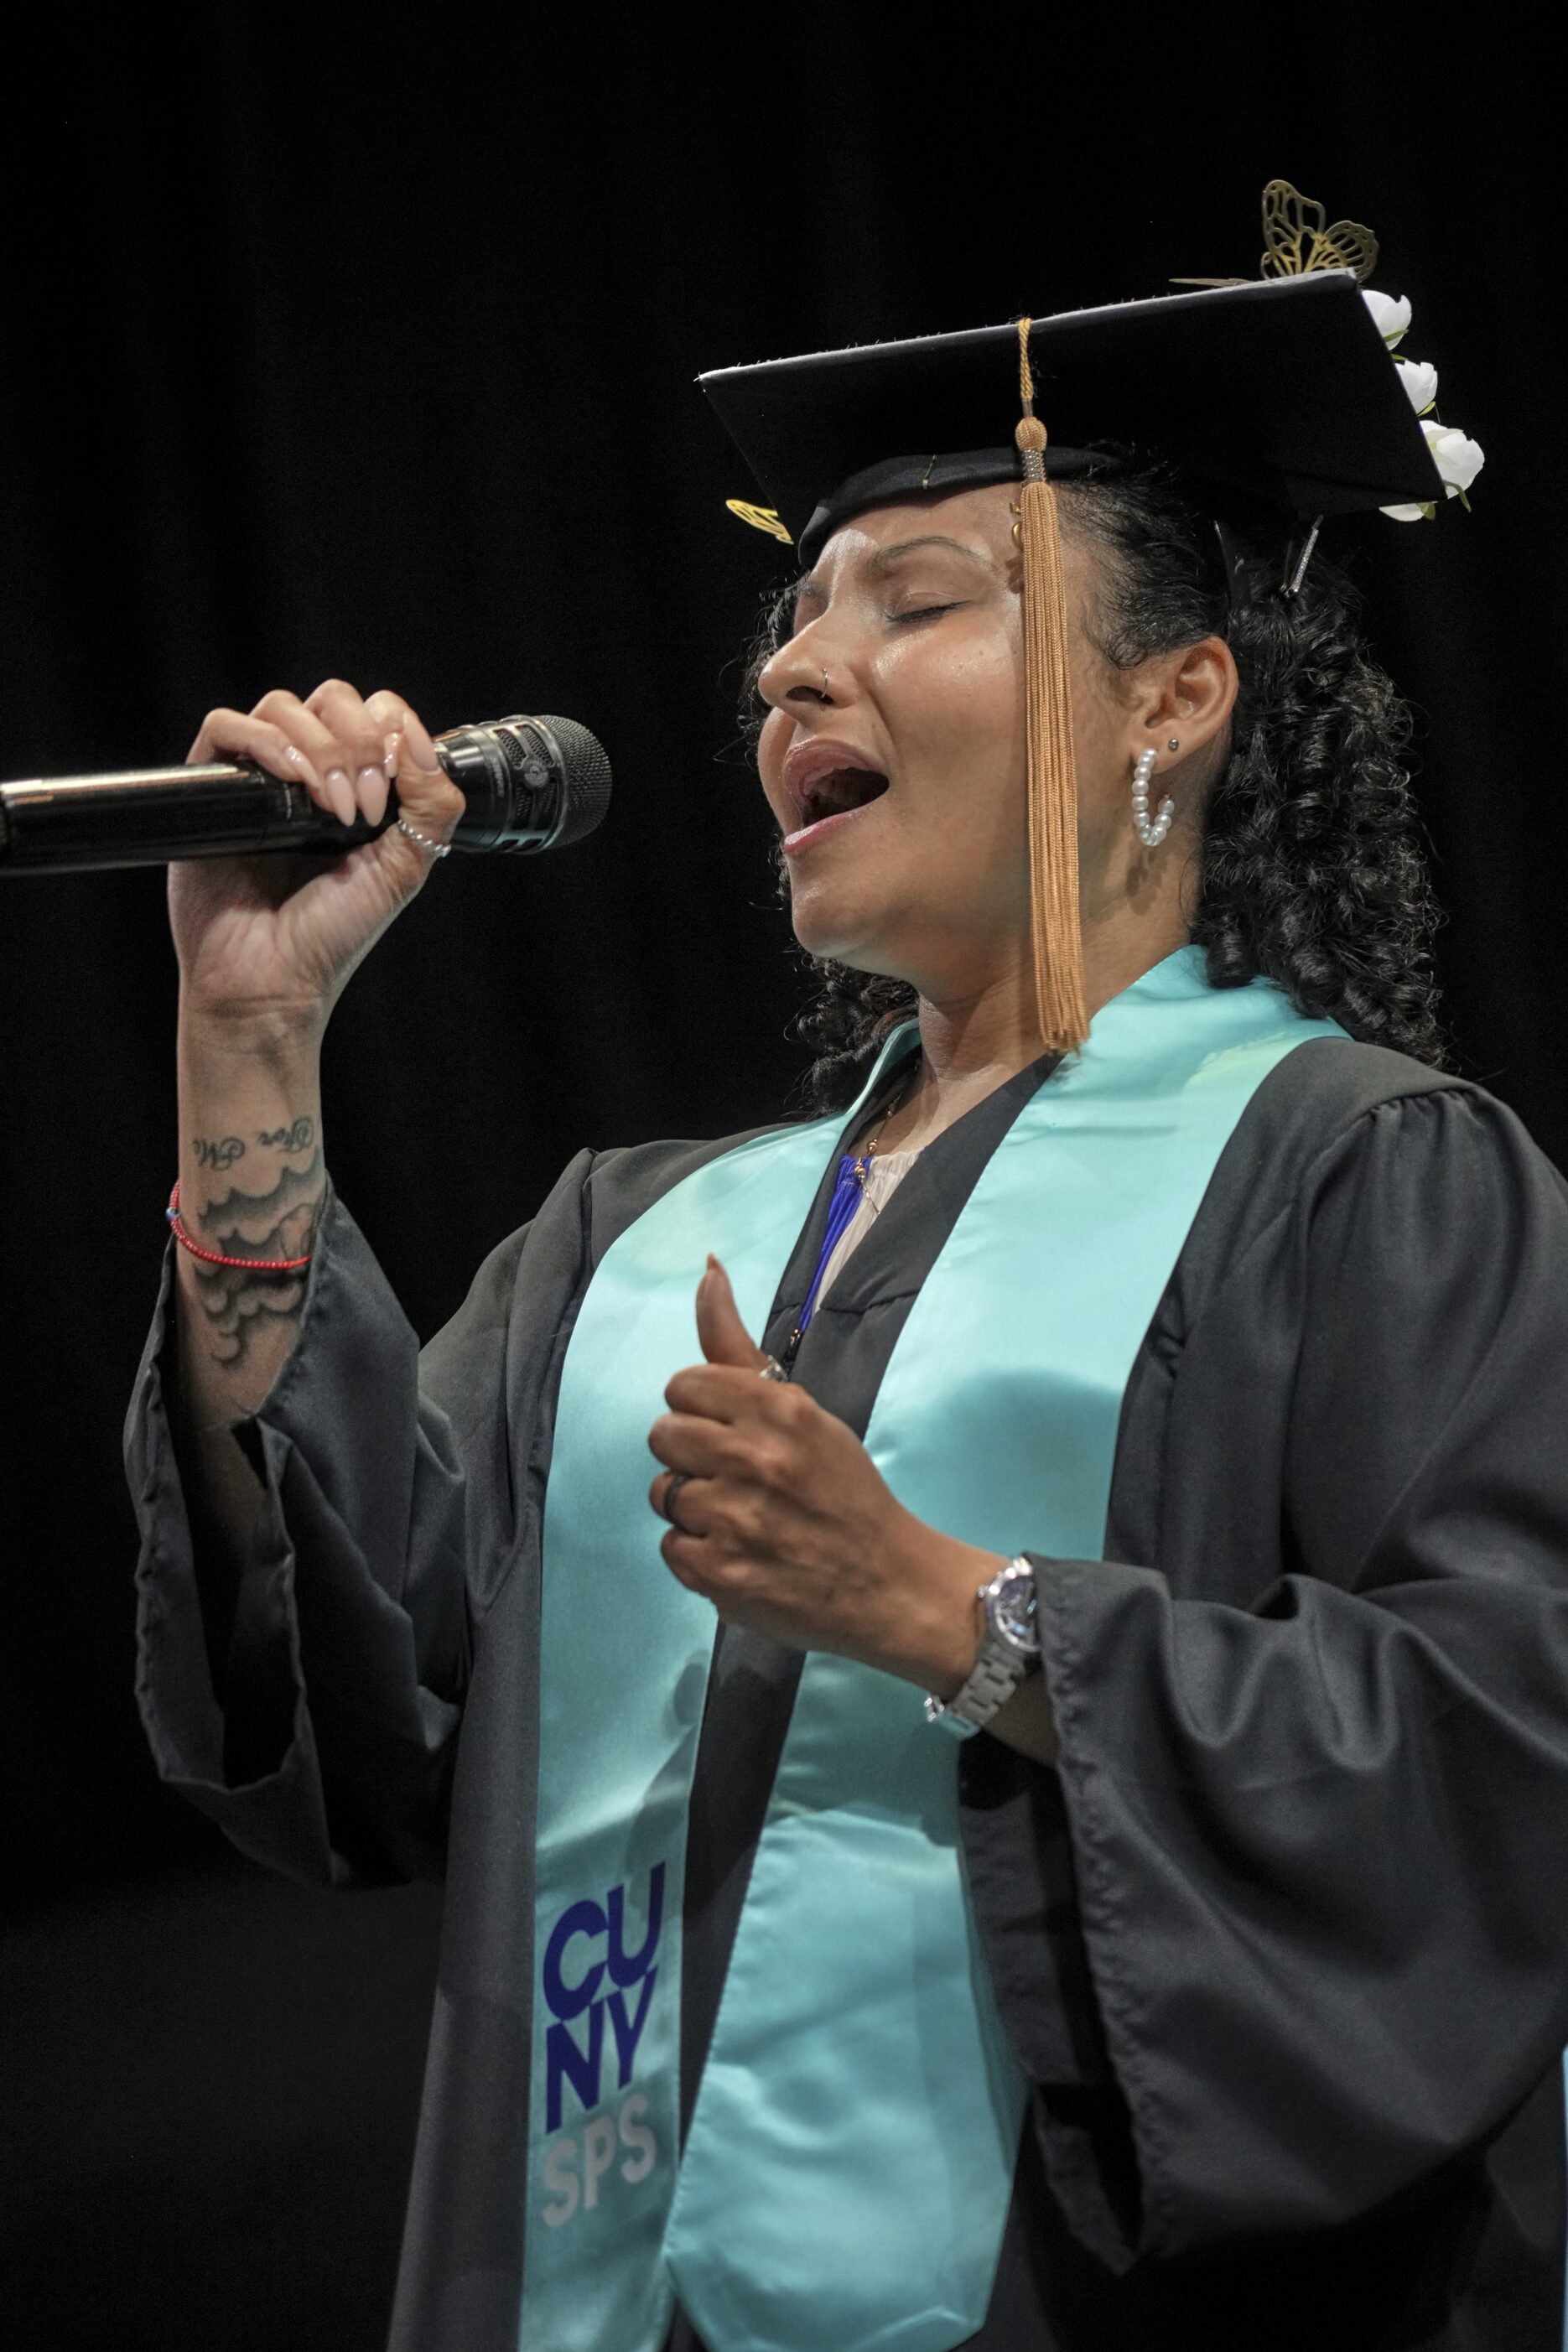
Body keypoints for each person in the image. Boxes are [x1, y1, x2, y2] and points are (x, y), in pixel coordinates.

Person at [126, 250, 1568, 2352]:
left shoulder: (1356, 1177)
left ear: (1173, 695)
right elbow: (342, 1684)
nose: (796, 670)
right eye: (794, 614)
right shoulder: (628, 1243)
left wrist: (951, 1614)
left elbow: (1500, 1756)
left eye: (917, 598)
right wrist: (247, 1039)